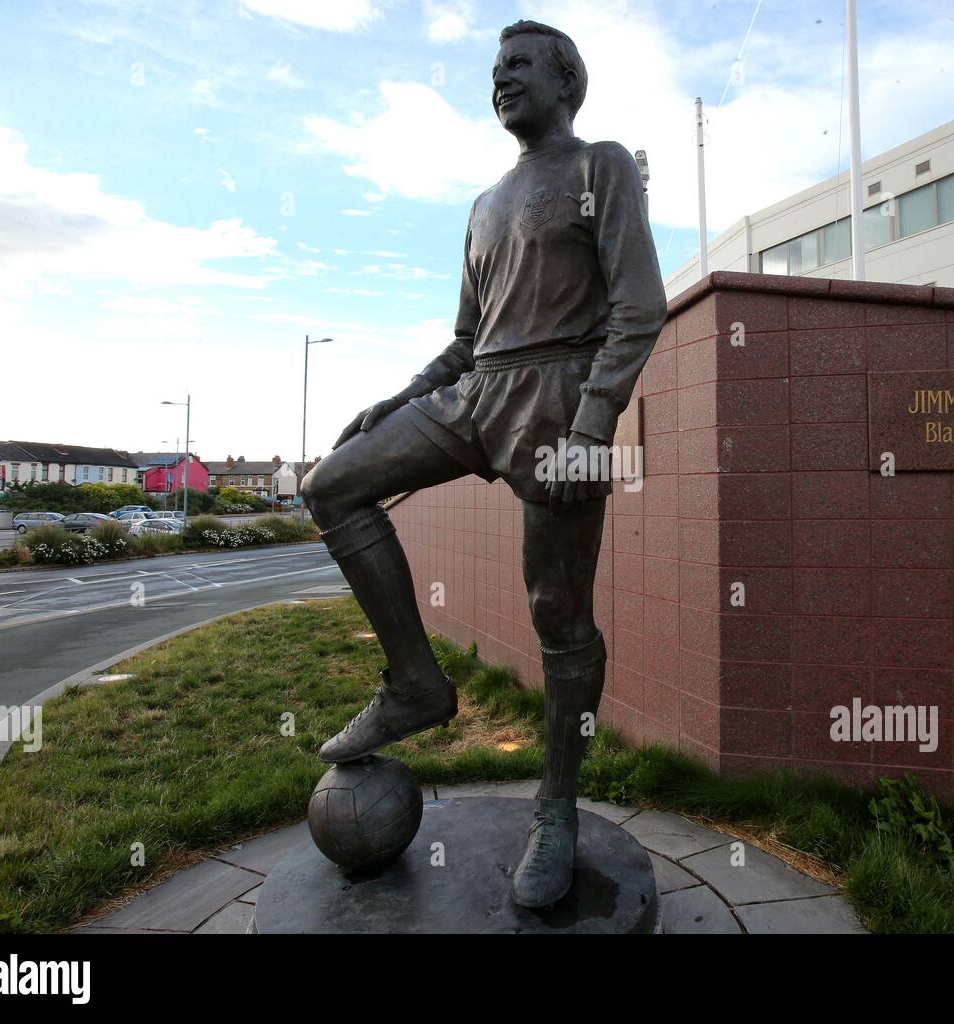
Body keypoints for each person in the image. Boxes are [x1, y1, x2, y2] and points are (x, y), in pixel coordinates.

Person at [300, 19, 666, 909]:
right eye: (494, 68)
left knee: (558, 617)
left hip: (557, 405)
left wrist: (591, 426)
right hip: (477, 394)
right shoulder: (482, 205)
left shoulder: (602, 167)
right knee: (332, 484)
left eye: (518, 64)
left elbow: (640, 307)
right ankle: (416, 683)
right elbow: (468, 340)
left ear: (565, 80)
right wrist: (399, 399)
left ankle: (557, 809)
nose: (500, 78)